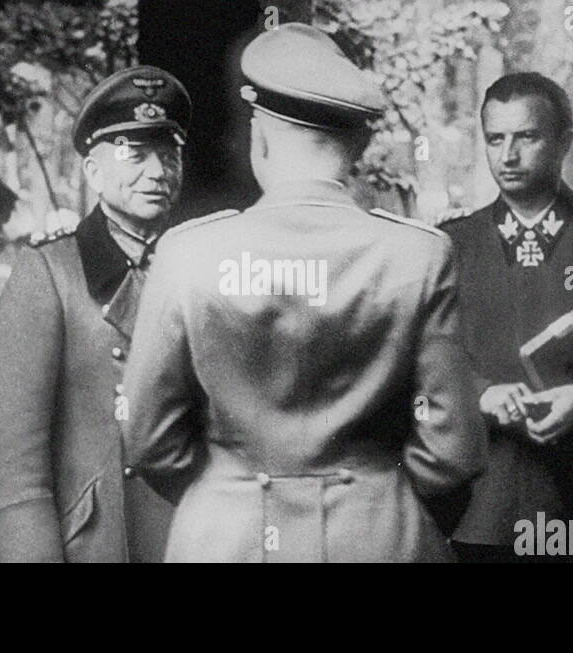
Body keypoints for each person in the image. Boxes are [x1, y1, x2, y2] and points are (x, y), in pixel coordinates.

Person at [120, 23, 485, 563]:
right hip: (377, 537)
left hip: (225, 541)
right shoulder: (418, 255)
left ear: (259, 135)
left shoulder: (187, 254)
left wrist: (228, 489)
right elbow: (452, 450)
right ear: (359, 142)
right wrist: (375, 491)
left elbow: (149, 438)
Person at [0, 65, 191, 562]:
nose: (157, 173)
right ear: (94, 172)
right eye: (135, 156)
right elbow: (16, 472)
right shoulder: (49, 274)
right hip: (98, 546)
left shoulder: (201, 264)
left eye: (168, 154)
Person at [435, 72, 573, 563]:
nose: (507, 156)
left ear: (565, 141)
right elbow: (425, 363)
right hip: (482, 517)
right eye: (495, 139)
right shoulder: (450, 244)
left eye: (527, 136)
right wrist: (481, 392)